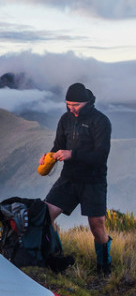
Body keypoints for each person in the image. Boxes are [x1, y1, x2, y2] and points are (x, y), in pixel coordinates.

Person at [45, 82, 112, 275]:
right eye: (68, 104)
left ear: (86, 102)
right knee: (45, 216)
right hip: (69, 179)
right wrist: (49, 157)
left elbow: (101, 155)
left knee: (97, 226)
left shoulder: (100, 121)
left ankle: (104, 267)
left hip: (94, 180)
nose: (71, 108)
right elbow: (58, 146)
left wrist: (71, 154)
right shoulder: (65, 119)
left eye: (76, 105)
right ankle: (56, 257)